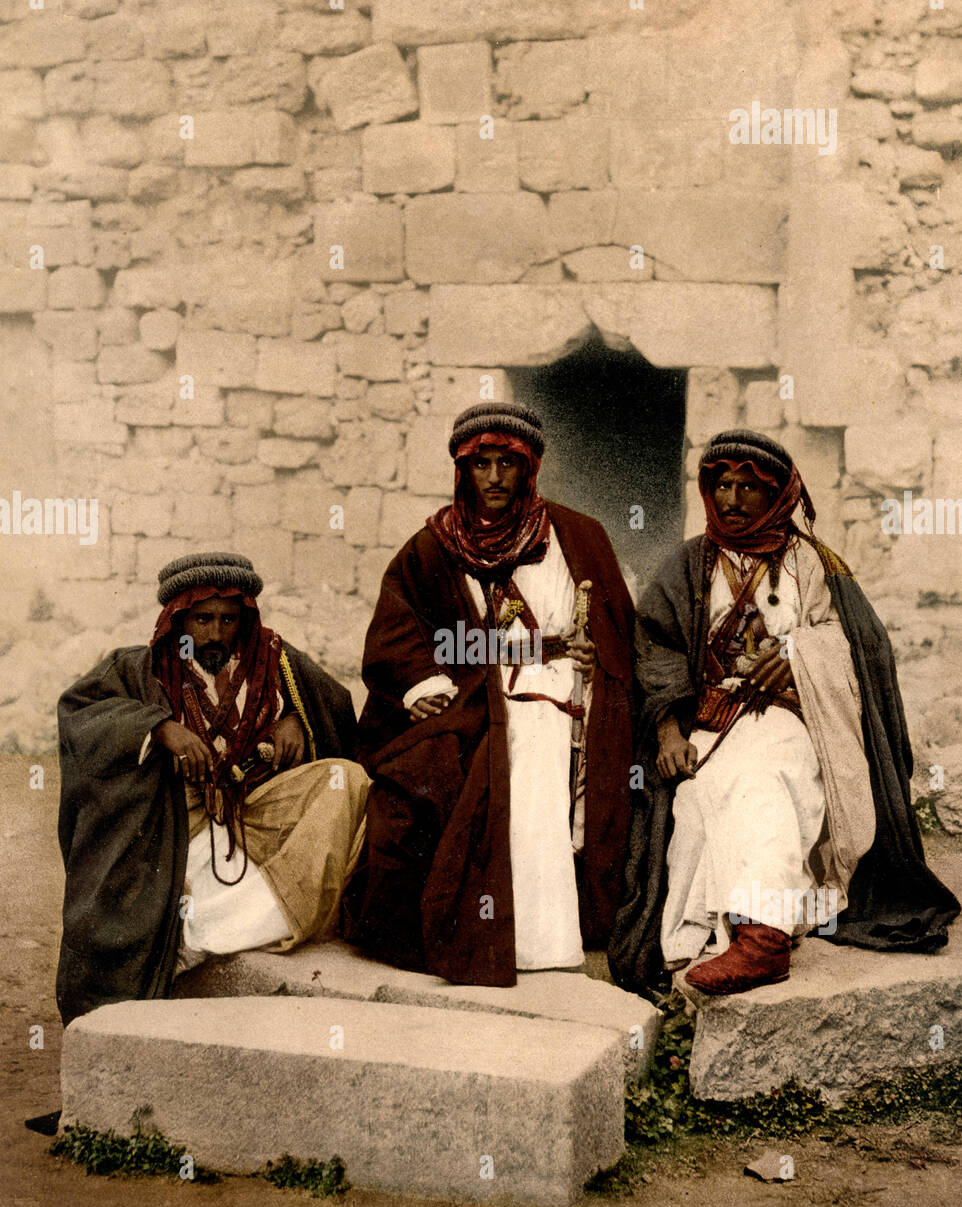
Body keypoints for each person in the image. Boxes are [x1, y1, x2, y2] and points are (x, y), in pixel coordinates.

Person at [609, 428, 959, 997]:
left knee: (763, 777)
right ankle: (717, 931)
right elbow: (657, 648)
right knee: (699, 797)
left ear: (779, 494)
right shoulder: (688, 564)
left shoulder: (813, 564)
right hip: (711, 723)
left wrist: (800, 654)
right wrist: (670, 730)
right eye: (722, 484)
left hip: (796, 718)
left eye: (749, 486)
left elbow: (862, 647)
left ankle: (763, 940)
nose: (732, 498)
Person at [344, 401, 636, 987]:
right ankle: (476, 925)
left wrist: (595, 655)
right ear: (462, 470)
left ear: (530, 469)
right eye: (483, 464)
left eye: (509, 463)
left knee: (532, 739)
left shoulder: (577, 536)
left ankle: (537, 936)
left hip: (561, 686)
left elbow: (618, 631)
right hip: (469, 689)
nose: (496, 478)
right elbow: (397, 631)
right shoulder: (433, 545)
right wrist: (422, 680)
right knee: (440, 765)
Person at [55, 551, 369, 1026]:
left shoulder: (277, 662)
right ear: (178, 618)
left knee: (346, 780)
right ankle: (201, 932)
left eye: (228, 619)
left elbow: (337, 708)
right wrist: (159, 727)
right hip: (185, 822)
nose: (216, 633)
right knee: (167, 886)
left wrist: (296, 722)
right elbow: (80, 713)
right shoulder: (141, 668)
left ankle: (207, 932)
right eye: (202, 619)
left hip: (261, 809)